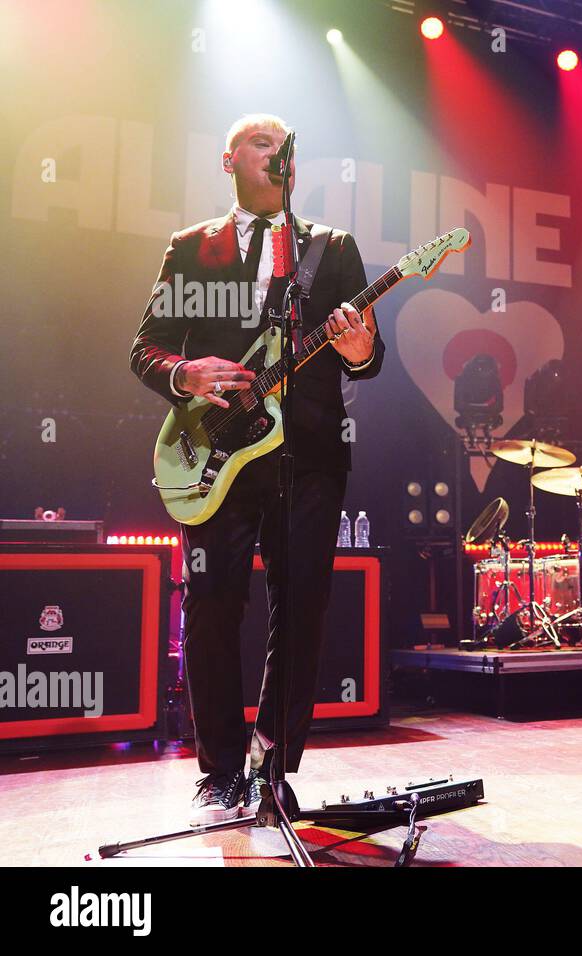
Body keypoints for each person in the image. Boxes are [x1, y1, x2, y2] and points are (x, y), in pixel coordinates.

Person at [130, 114, 385, 824]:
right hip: (217, 456)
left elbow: (368, 356)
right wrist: (187, 374)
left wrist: (360, 345)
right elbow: (144, 348)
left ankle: (271, 766)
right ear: (230, 160)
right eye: (263, 143)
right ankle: (217, 773)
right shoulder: (190, 248)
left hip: (310, 456)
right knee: (213, 607)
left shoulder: (332, 248)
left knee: (302, 606)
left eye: (287, 147)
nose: (279, 155)